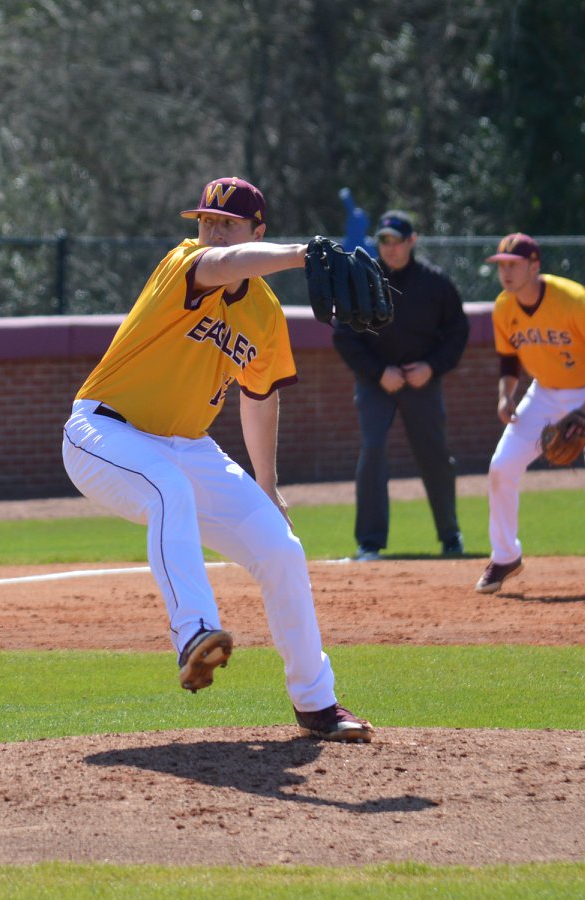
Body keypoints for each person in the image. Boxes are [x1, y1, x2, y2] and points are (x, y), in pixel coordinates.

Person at [61, 176, 373, 742]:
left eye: (225, 224)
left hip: (189, 445)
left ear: (257, 231)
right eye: (205, 221)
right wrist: (304, 253)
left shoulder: (265, 315)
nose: (210, 232)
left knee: (281, 549)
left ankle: (316, 703)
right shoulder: (186, 263)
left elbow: (260, 396)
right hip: (102, 432)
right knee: (167, 490)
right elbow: (227, 265)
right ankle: (196, 633)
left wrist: (267, 485)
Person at [476, 232, 585, 597]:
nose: (506, 273)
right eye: (502, 266)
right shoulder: (504, 307)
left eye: (514, 265)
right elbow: (509, 357)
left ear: (535, 266)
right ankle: (506, 556)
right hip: (543, 393)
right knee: (501, 467)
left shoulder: (571, 299)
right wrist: (506, 395)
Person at [330, 210, 470, 561]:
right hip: (377, 382)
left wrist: (431, 367)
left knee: (434, 454)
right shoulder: (361, 278)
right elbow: (344, 335)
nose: (390, 248)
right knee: (373, 449)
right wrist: (379, 373)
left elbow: (457, 332)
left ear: (412, 241)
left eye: (397, 240)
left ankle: (451, 535)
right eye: (384, 241)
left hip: (421, 379)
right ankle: (370, 542)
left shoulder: (435, 283)